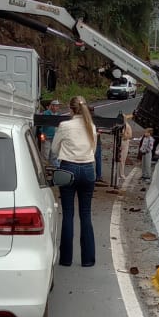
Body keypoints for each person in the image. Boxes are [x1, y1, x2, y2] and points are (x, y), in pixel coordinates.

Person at [51, 95, 96, 267]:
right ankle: (88, 259)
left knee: (68, 214)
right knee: (85, 214)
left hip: (68, 168)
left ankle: (66, 259)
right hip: (87, 169)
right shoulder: (90, 126)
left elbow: (54, 149)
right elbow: (92, 148)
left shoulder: (64, 126)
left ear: (70, 109)